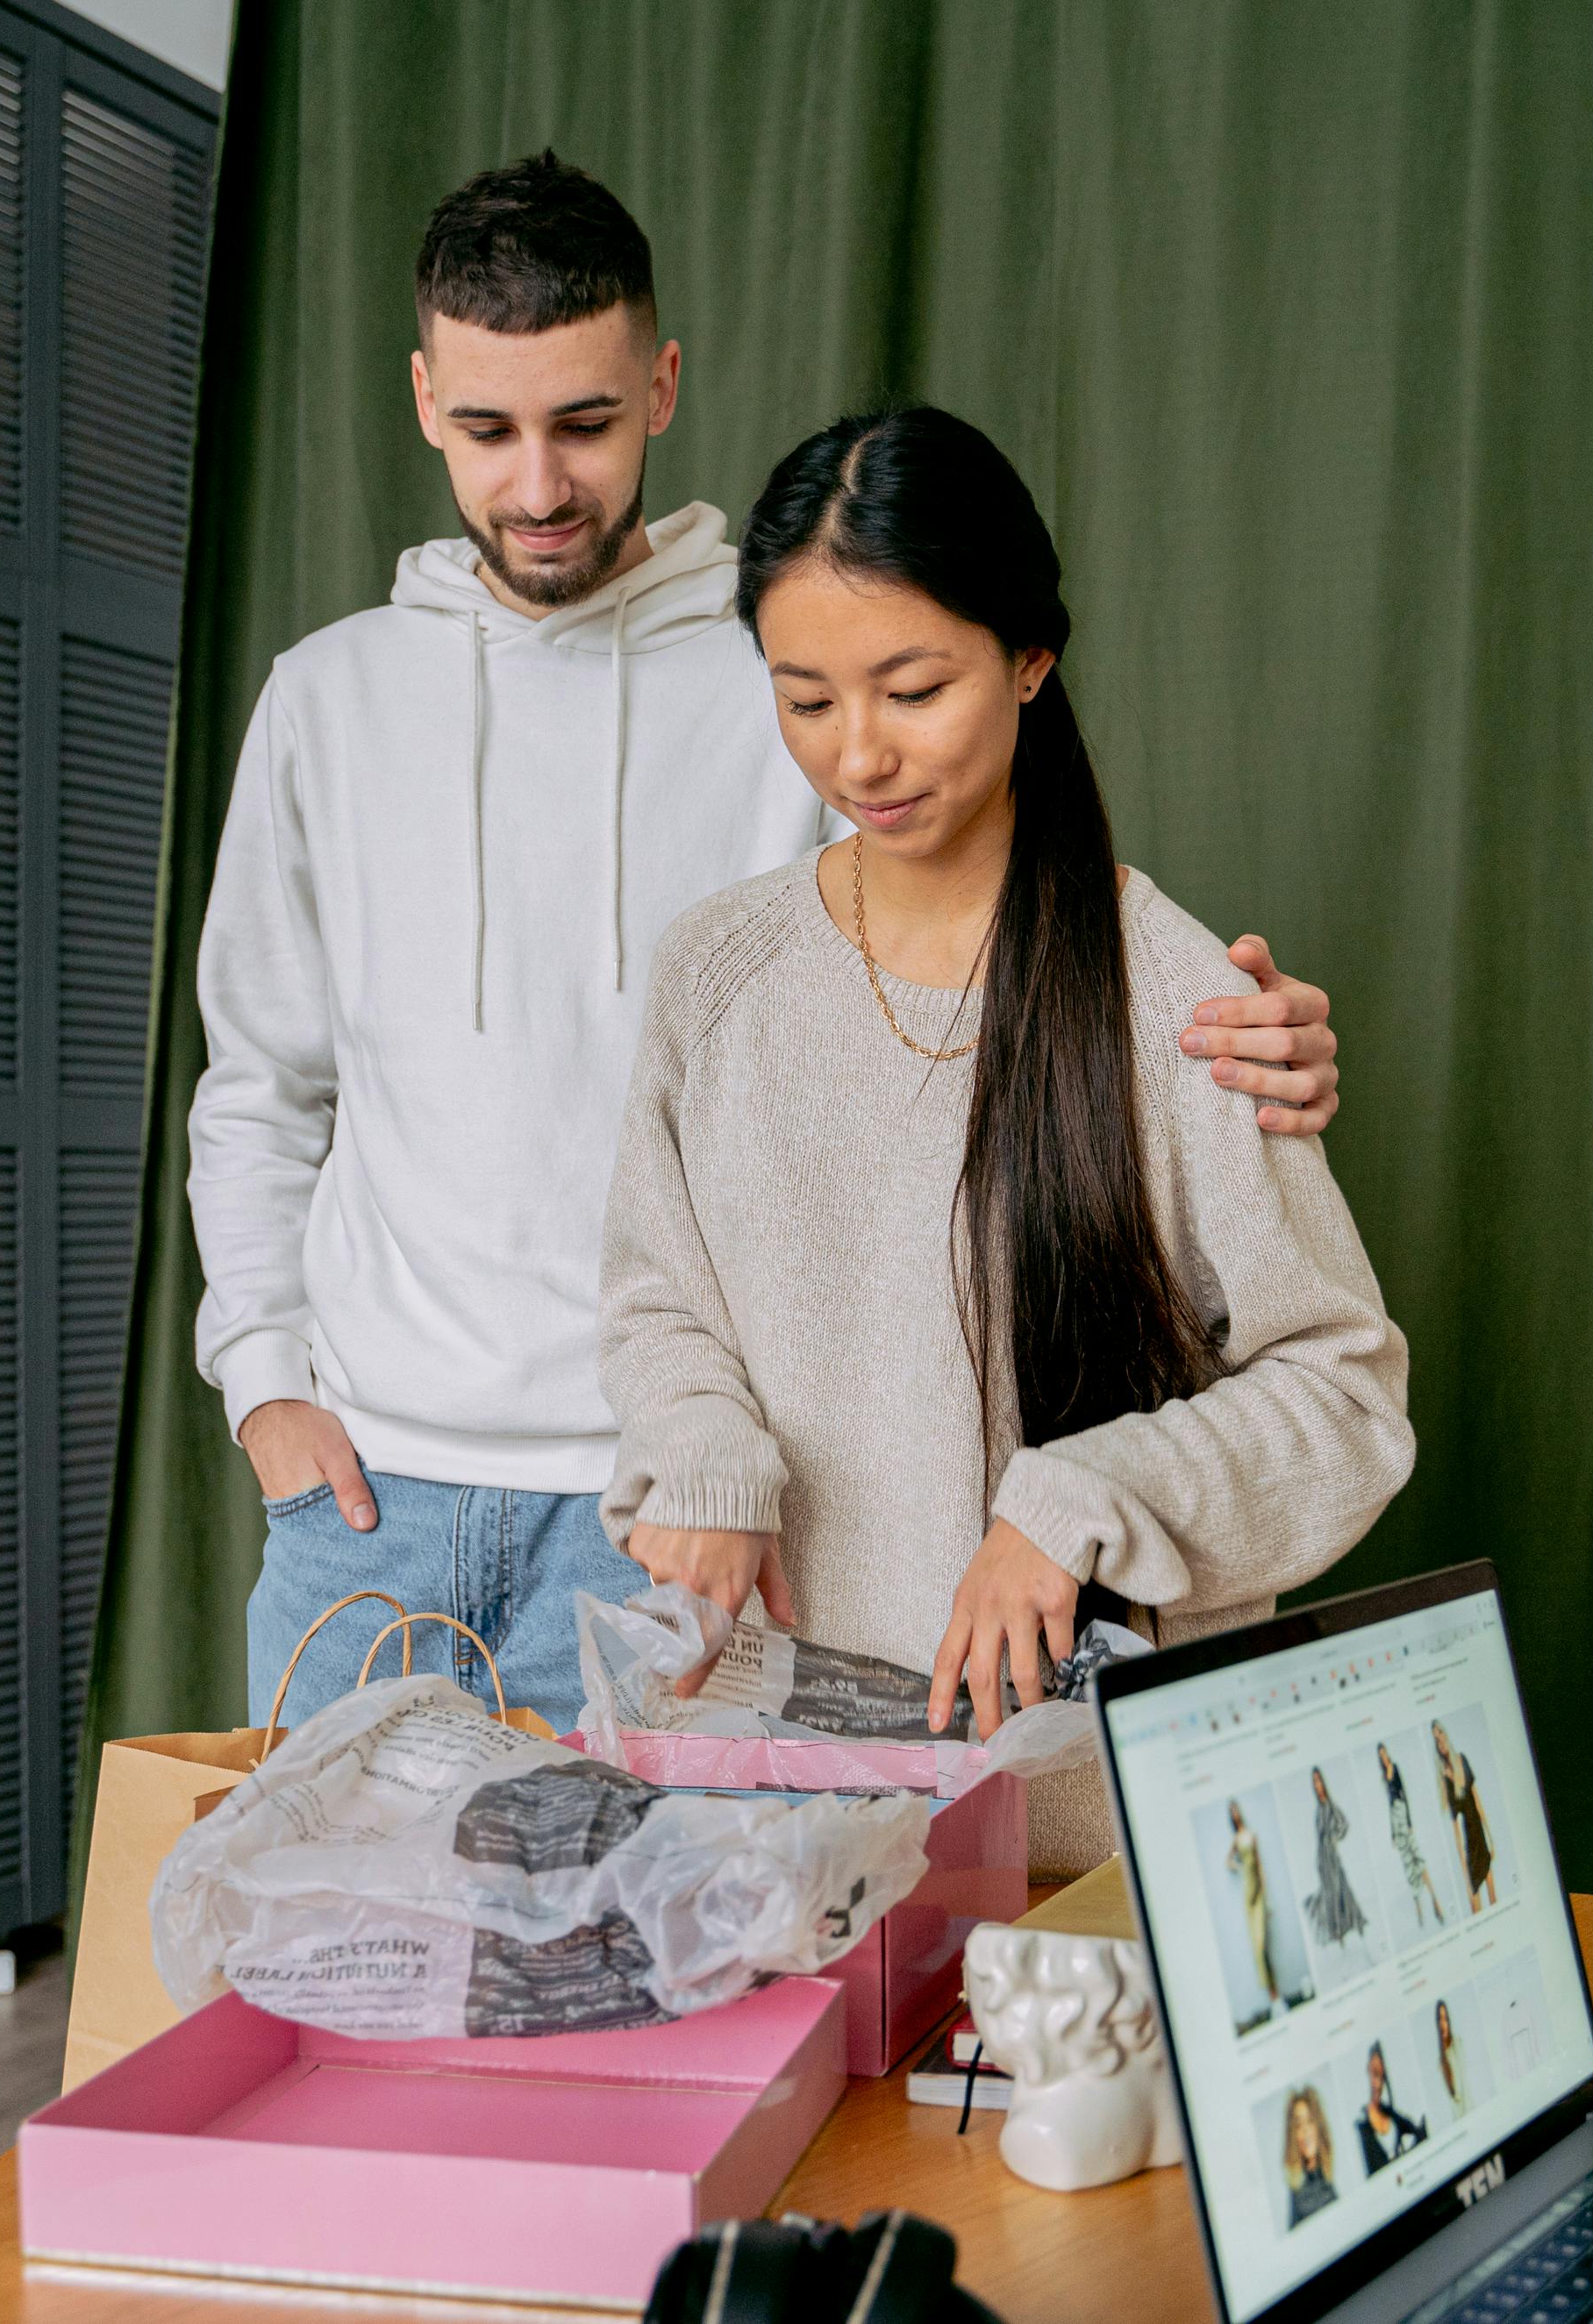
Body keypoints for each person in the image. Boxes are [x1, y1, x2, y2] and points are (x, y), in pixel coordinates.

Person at [192, 154, 1347, 1730]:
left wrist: (1233, 1051)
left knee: (650, 1968)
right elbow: (258, 1082)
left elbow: (966, 982)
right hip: (375, 1503)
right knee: (326, 1959)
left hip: (678, 1530)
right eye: (487, 428)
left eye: (585, 423)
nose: (538, 483)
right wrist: (265, 1380)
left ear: (661, 386)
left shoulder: (789, 663)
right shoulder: (325, 702)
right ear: (420, 400)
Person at [592, 405, 1416, 1862]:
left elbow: (1346, 1403)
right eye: (806, 697)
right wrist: (707, 1456)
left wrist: (1083, 1497)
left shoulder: (1177, 998)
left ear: (1030, 658)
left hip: (1088, 1835)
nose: (859, 754)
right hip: (776, 1817)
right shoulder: (715, 972)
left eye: (913, 687)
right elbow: (660, 1295)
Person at [1379, 1740, 1452, 1928]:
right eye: (1381, 1755)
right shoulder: (1383, 1776)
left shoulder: (1395, 1768)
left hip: (1403, 1813)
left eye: (1384, 1752)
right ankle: (1418, 1908)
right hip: (1395, 1820)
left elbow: (1404, 1794)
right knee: (1407, 1865)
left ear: (1387, 1752)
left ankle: (1436, 1902)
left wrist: (1409, 1822)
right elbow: (1388, 1805)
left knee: (1418, 1858)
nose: (1383, 1756)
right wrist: (1391, 1834)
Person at [1302, 1766, 1370, 1950]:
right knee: (1330, 1895)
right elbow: (1318, 1838)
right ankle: (1339, 1935)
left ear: (1323, 1782)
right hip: (1322, 1860)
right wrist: (1320, 1858)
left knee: (1342, 1889)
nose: (1317, 1785)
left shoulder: (1329, 1805)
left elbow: (1344, 1824)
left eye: (1319, 1780)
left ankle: (1354, 1923)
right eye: (1314, 1782)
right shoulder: (1318, 1809)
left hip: (1332, 1857)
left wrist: (1335, 1838)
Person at [1436, 1722, 1499, 1910]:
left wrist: (1490, 1838)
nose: (1441, 1743)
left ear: (1446, 1736)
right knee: (1475, 1907)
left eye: (1441, 1736)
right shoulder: (1445, 1778)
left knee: (1494, 1900)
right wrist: (1464, 1872)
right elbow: (1455, 1828)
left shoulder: (1462, 1760)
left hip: (1480, 1834)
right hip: (1468, 1839)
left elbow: (1478, 1802)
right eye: (1437, 1741)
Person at [1225, 1800, 1279, 2023]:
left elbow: (1260, 1866)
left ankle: (1277, 1996)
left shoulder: (1250, 1835)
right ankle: (1273, 1997)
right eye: (1232, 1812)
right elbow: (1228, 1863)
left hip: (1258, 1891)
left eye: (1237, 1810)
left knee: (1265, 1944)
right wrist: (1239, 1867)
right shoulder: (1236, 1840)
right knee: (1257, 1947)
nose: (1236, 1814)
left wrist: (1266, 1899)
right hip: (1247, 1892)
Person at [1354, 2042, 1425, 2172]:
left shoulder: (1390, 2113)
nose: (1377, 2083)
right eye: (1374, 2073)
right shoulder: (1361, 2124)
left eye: (1381, 2076)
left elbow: (1418, 2131)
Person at [1282, 2087, 1339, 2228]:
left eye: (1310, 2121)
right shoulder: (1297, 2190)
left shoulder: (1327, 2176)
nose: (1306, 2130)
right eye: (1299, 2125)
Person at [1433, 1997, 1468, 2114]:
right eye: (1440, 2019)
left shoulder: (1458, 2044)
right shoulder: (1440, 2063)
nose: (1443, 2024)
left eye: (1445, 2019)